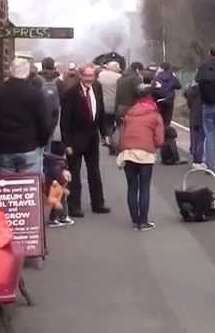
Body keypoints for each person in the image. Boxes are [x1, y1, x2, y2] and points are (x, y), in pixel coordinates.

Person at [0, 57, 51, 175]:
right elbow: (45, 123)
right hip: (30, 148)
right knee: (30, 188)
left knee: (7, 190)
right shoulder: (36, 94)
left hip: (4, 149)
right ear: (27, 73)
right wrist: (41, 142)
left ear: (10, 71)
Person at [60, 63, 111, 216]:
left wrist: (105, 133)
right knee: (74, 174)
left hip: (92, 138)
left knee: (94, 171)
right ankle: (75, 207)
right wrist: (67, 143)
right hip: (75, 139)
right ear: (80, 76)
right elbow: (65, 120)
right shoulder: (70, 93)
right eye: (87, 76)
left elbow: (99, 111)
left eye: (92, 76)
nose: (90, 79)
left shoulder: (97, 88)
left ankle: (98, 204)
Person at [117, 78, 166, 231]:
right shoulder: (155, 115)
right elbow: (160, 140)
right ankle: (143, 222)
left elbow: (121, 136)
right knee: (144, 188)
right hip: (145, 154)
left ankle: (134, 220)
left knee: (132, 187)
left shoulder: (129, 114)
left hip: (128, 152)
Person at [154, 62, 183, 126]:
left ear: (162, 68)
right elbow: (179, 86)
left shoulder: (157, 77)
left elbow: (154, 88)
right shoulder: (172, 76)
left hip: (159, 101)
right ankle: (166, 132)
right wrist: (175, 77)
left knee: (158, 120)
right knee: (167, 120)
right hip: (169, 100)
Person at [185, 81, 205, 165]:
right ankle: (198, 159)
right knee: (200, 138)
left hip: (193, 115)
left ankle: (193, 153)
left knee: (193, 136)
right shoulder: (204, 89)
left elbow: (188, 103)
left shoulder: (189, 89)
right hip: (201, 115)